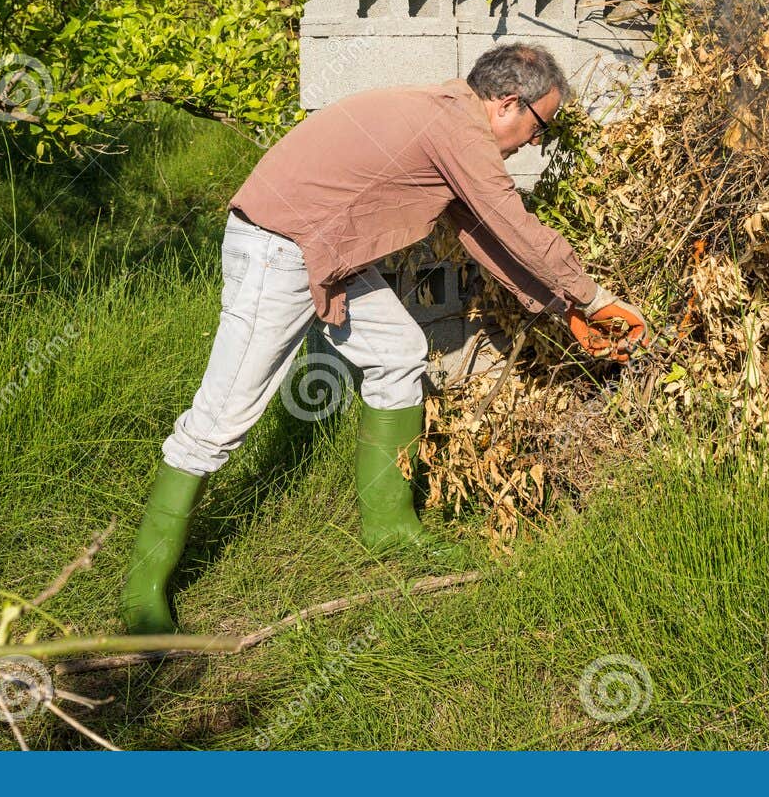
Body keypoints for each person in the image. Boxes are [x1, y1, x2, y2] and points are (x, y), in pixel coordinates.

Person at [120, 42, 652, 633]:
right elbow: (512, 224)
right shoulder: (458, 131)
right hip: (280, 247)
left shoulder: (448, 117)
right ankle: (142, 591)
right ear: (508, 103)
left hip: (322, 247)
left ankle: (388, 526)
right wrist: (596, 299)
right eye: (540, 126)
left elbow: (480, 231)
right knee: (222, 418)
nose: (535, 142)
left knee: (399, 353)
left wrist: (560, 304)